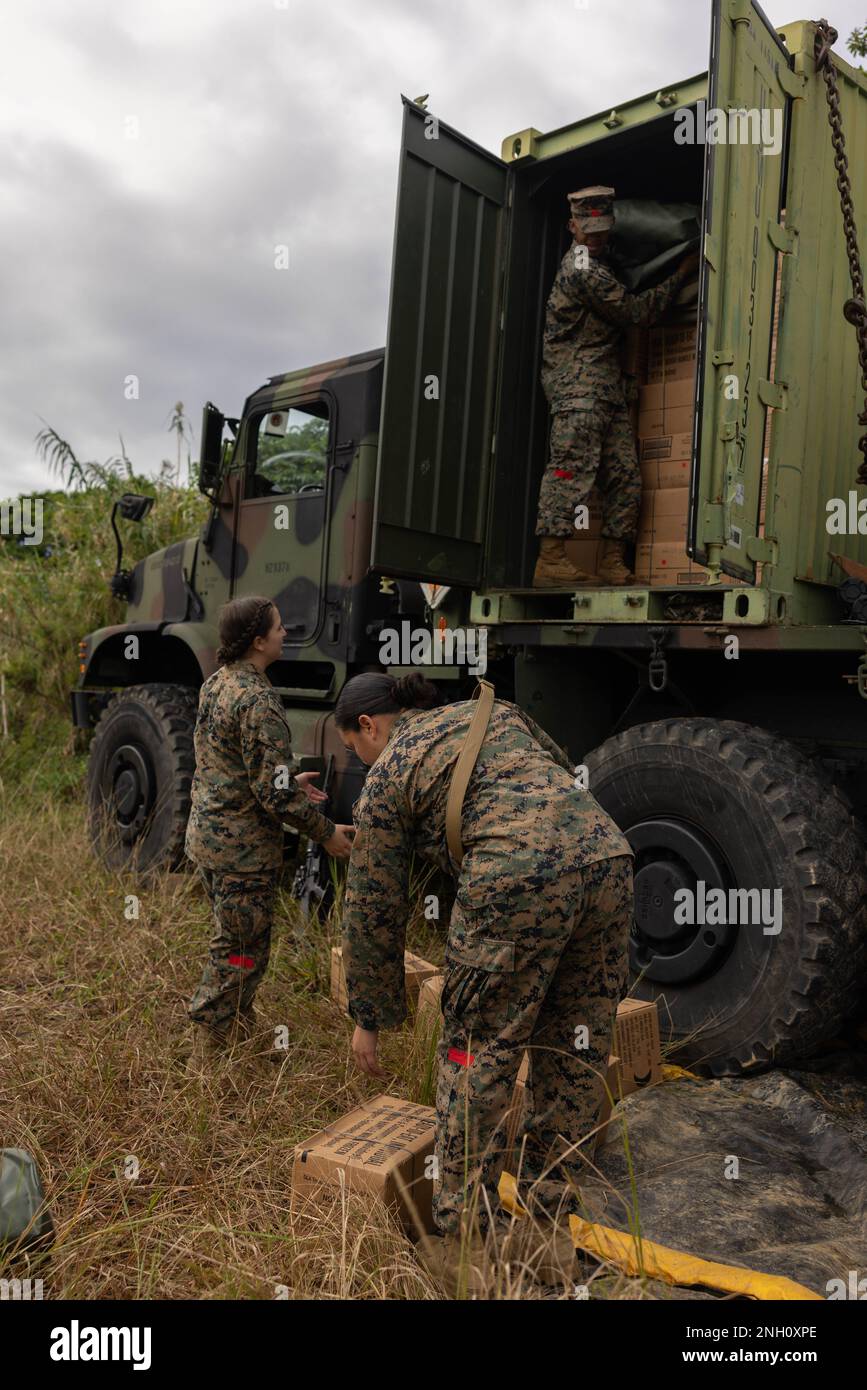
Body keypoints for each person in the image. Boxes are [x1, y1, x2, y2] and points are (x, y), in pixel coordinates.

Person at [335, 670, 634, 1281]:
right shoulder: (492, 712)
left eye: (353, 748)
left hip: (515, 877)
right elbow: (556, 773)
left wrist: (369, 1017)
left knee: (477, 1056)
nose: (360, 761)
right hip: (607, 859)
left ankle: (466, 1247)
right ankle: (549, 1237)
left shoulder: (392, 767)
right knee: (572, 1055)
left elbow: (372, 905)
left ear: (370, 726)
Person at [184, 595, 354, 1059]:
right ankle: (207, 1051)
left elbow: (230, 767)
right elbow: (273, 794)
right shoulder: (259, 700)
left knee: (238, 942)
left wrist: (288, 782)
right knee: (238, 952)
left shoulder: (217, 684)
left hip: (209, 838)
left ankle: (237, 1027)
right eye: (279, 628)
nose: (285, 634)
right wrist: (325, 832)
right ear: (258, 641)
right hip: (242, 852)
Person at [534, 185, 700, 588]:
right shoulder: (582, 271)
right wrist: (682, 272)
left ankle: (611, 561)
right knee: (569, 470)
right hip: (578, 390)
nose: (598, 238)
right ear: (572, 227)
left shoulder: (603, 262)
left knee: (625, 476)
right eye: (589, 232)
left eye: (603, 230)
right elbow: (637, 312)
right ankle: (550, 560)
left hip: (606, 390)